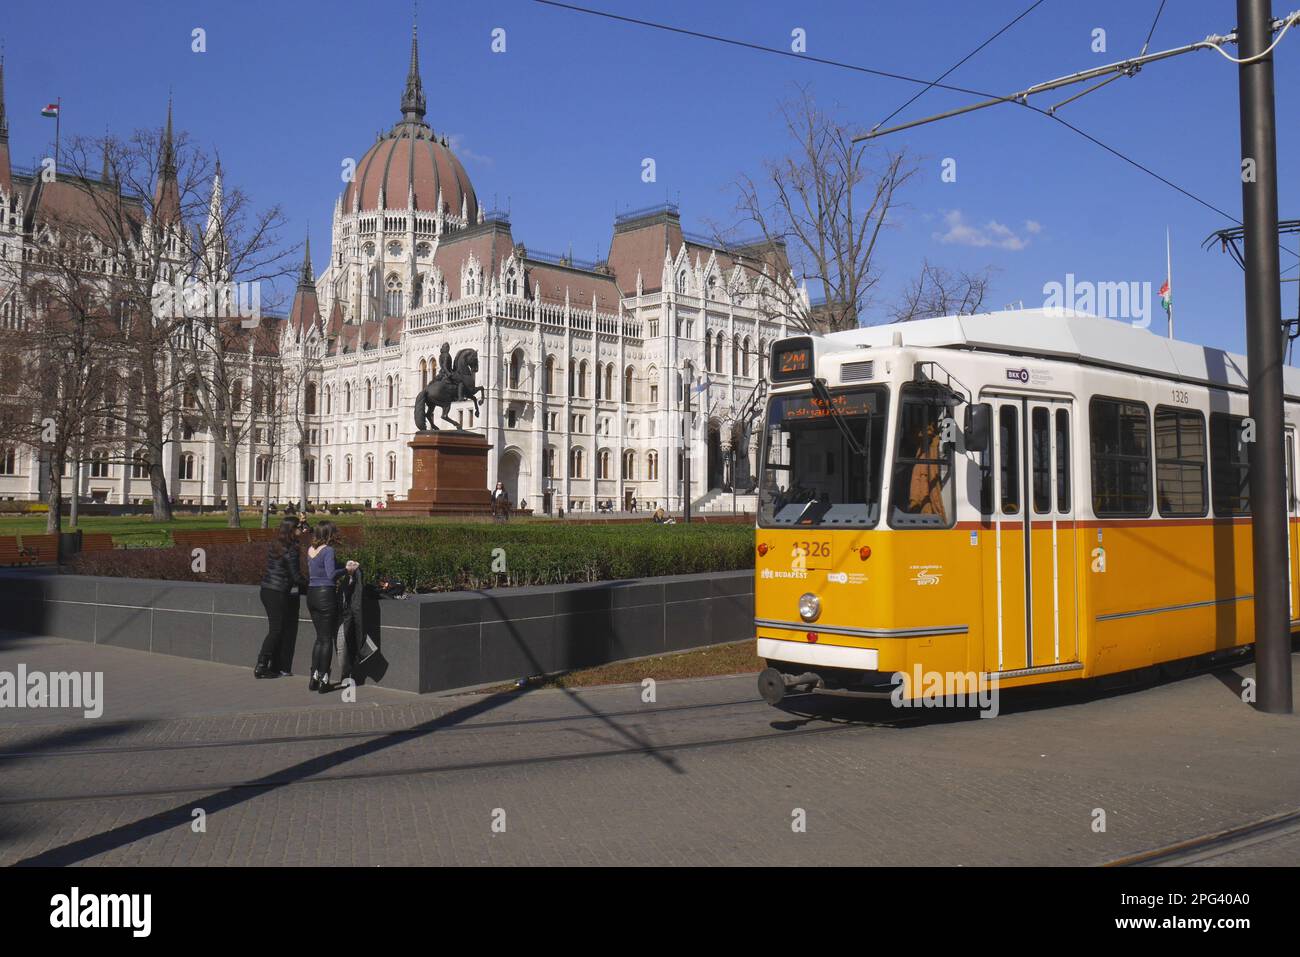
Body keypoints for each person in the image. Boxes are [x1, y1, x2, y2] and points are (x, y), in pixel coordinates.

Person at [306, 520, 359, 692]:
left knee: (319, 638)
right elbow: (330, 575)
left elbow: (321, 569)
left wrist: (342, 565)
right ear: (329, 534)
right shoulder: (328, 550)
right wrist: (347, 571)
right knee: (327, 639)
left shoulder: (311, 550)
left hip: (311, 595)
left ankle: (314, 676)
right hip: (325, 596)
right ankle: (324, 678)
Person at [256, 517, 307, 679]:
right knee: (276, 629)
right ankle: (261, 665)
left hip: (267, 589)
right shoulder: (291, 549)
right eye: (299, 527)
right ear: (292, 530)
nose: (302, 529)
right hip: (278, 591)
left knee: (278, 628)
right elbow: (296, 576)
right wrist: (312, 585)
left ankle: (273, 666)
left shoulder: (276, 544)